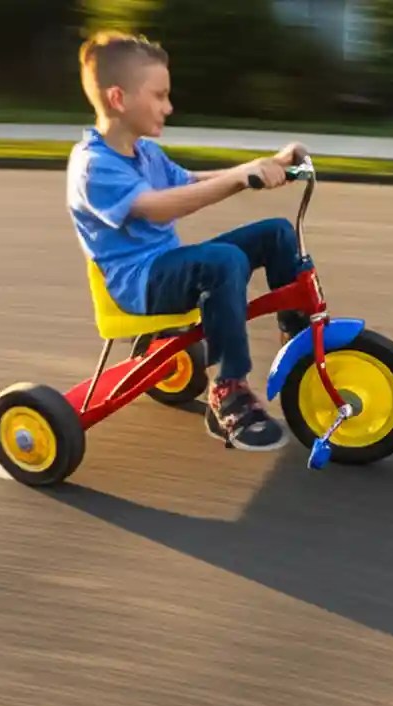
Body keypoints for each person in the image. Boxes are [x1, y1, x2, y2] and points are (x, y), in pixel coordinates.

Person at [67, 30, 311, 452]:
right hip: (137, 287)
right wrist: (240, 178)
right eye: (159, 96)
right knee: (224, 262)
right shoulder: (94, 167)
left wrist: (264, 166)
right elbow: (160, 207)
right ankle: (228, 393)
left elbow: (191, 182)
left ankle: (298, 344)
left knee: (276, 232)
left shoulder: (144, 153)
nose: (169, 106)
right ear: (119, 99)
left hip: (167, 267)